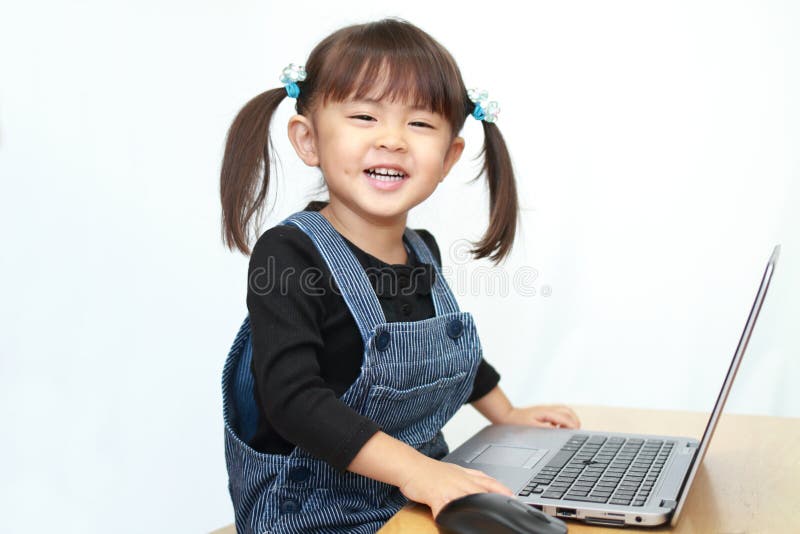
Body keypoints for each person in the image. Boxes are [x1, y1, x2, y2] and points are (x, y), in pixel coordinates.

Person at [219, 17, 580, 534]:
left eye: (420, 124)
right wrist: (420, 474)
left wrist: (506, 413)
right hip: (313, 514)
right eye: (364, 116)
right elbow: (293, 401)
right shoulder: (289, 255)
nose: (392, 140)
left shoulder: (421, 250)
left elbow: (448, 352)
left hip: (418, 493)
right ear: (308, 140)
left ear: (450, 155)